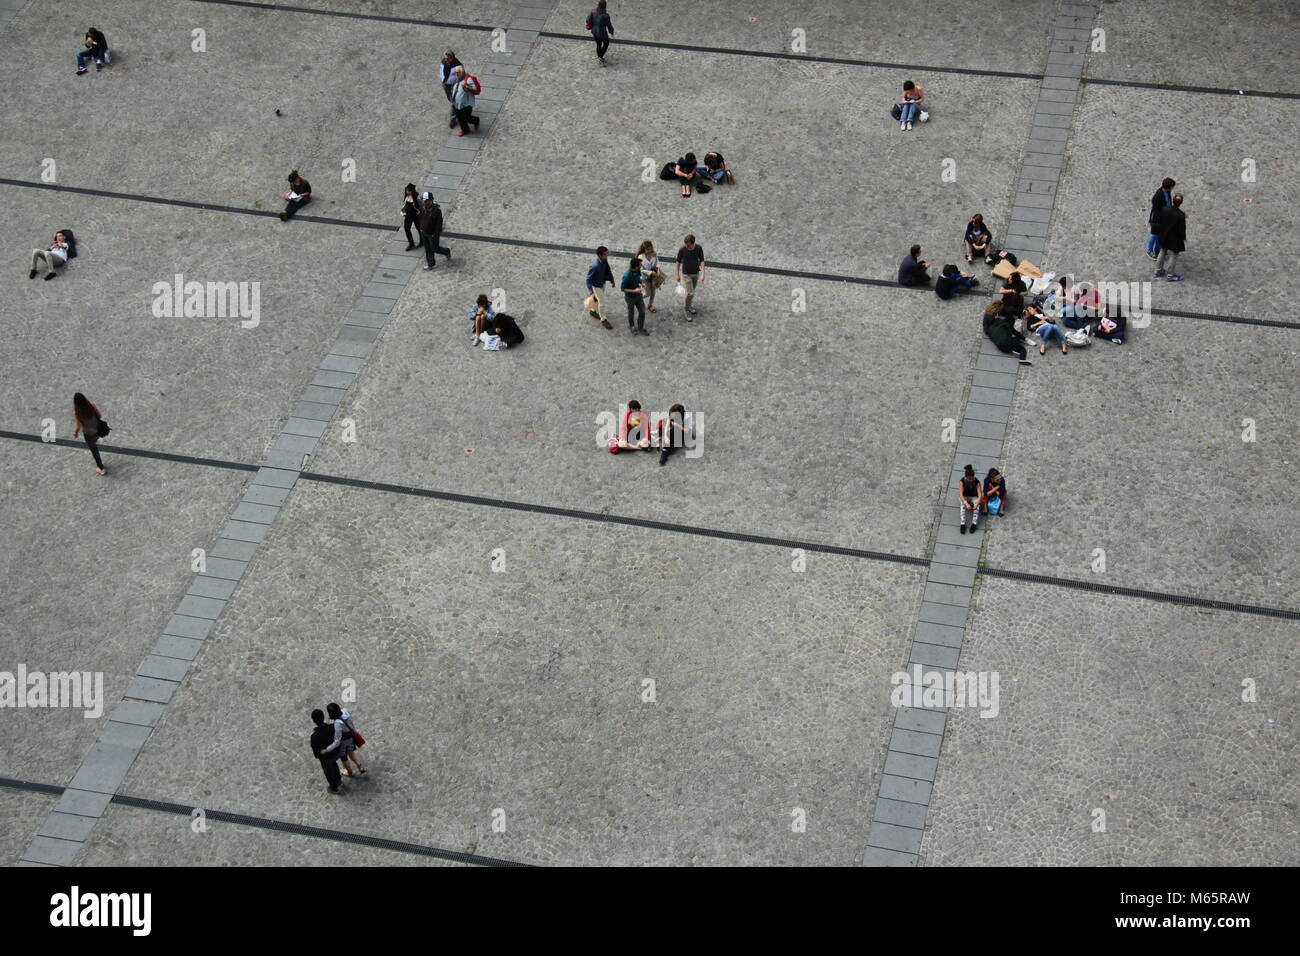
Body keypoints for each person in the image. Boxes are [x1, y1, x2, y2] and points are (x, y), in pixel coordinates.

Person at [323, 702, 367, 777]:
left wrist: (328, 749)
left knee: (344, 758)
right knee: (351, 752)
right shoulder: (345, 711)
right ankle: (360, 766)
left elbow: (337, 740)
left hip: (342, 743)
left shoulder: (337, 723)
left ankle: (349, 771)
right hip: (350, 738)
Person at [71, 392, 108, 475]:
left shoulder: (77, 413)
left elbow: (78, 426)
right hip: (97, 430)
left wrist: (76, 433)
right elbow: (99, 415)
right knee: (95, 439)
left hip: (88, 434)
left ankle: (101, 468)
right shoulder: (92, 405)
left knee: (94, 450)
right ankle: (97, 438)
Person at [310, 709, 343, 794]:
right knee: (334, 765)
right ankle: (338, 779)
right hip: (335, 753)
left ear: (314, 721)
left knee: (328, 772)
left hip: (326, 758)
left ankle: (334, 788)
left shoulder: (314, 736)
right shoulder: (332, 727)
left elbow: (317, 753)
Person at [1154, 194, 1185, 281]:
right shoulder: (1181, 215)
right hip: (1174, 239)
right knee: (1174, 255)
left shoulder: (1165, 209)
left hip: (1164, 235)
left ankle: (1158, 271)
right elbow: (1182, 229)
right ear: (1181, 203)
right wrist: (1183, 238)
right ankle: (1170, 275)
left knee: (1162, 251)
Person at [417, 192, 451, 270]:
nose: (424, 202)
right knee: (427, 248)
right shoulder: (422, 207)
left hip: (432, 234)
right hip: (424, 231)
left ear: (431, 200)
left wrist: (435, 234)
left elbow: (439, 224)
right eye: (423, 200)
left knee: (435, 248)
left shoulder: (436, 211)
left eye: (426, 200)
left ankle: (446, 251)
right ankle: (431, 264)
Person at [675, 234, 705, 318]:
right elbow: (677, 262)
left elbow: (702, 261)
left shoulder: (698, 248)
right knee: (690, 293)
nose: (686, 246)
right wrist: (677, 274)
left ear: (693, 243)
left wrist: (703, 274)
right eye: (685, 244)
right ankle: (687, 309)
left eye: (688, 245)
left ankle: (689, 305)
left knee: (692, 292)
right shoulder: (682, 249)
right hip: (686, 274)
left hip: (695, 273)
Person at [585, 246, 615, 329]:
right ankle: (603, 320)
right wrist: (590, 289)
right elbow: (588, 278)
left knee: (597, 299)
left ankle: (592, 310)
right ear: (600, 255)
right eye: (605, 254)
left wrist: (612, 280)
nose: (607, 255)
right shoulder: (594, 266)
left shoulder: (604, 260)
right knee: (602, 302)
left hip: (602, 283)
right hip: (596, 286)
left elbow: (608, 270)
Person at [1147, 177, 1175, 260]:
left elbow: (1168, 202)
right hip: (1157, 220)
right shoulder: (1158, 196)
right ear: (1169, 187)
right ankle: (1149, 251)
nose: (1173, 188)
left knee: (1160, 235)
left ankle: (1157, 250)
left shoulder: (1167, 191)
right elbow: (1156, 209)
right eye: (1172, 186)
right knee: (1154, 235)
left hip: (1164, 218)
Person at [451, 66, 480, 136]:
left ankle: (476, 121)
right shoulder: (457, 79)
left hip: (466, 104)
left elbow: (475, 90)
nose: (456, 74)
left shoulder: (469, 79)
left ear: (462, 72)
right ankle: (465, 130)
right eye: (455, 73)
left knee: (467, 118)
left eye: (458, 72)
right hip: (457, 103)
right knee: (460, 118)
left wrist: (467, 86)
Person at [621, 257, 648, 335]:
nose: (641, 265)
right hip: (630, 297)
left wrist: (641, 284)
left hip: (638, 295)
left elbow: (639, 279)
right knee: (631, 312)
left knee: (642, 311)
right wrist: (634, 290)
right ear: (636, 267)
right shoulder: (627, 276)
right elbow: (623, 289)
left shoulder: (638, 271)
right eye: (640, 265)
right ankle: (632, 326)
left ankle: (640, 327)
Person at [636, 240, 663, 313]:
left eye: (650, 248)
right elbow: (641, 270)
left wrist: (658, 270)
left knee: (653, 292)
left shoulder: (654, 254)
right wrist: (650, 272)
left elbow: (658, 262)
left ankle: (650, 305)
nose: (649, 250)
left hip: (654, 277)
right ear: (644, 249)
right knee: (647, 293)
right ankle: (637, 298)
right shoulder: (640, 257)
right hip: (645, 278)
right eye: (647, 249)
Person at [438, 50, 463, 129]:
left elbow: (461, 76)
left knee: (454, 101)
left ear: (451, 58)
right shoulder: (443, 62)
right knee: (450, 99)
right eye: (445, 58)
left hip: (454, 85)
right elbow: (442, 71)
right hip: (446, 85)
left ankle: (453, 119)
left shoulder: (457, 66)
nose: (445, 60)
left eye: (447, 58)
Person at [957, 464, 983, 534]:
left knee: (977, 507)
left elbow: (980, 495)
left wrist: (977, 504)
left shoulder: (977, 481)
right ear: (966, 477)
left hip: (974, 497)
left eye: (972, 478)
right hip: (965, 497)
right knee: (962, 506)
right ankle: (962, 523)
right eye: (969, 478)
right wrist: (966, 503)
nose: (970, 480)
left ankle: (974, 523)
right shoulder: (962, 481)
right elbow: (961, 495)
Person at [401, 183, 422, 250]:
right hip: (408, 216)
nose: (408, 192)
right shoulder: (407, 196)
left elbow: (418, 207)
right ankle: (411, 243)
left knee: (419, 228)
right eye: (407, 191)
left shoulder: (415, 198)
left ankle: (422, 241)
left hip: (415, 216)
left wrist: (419, 212)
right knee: (406, 228)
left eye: (409, 191)